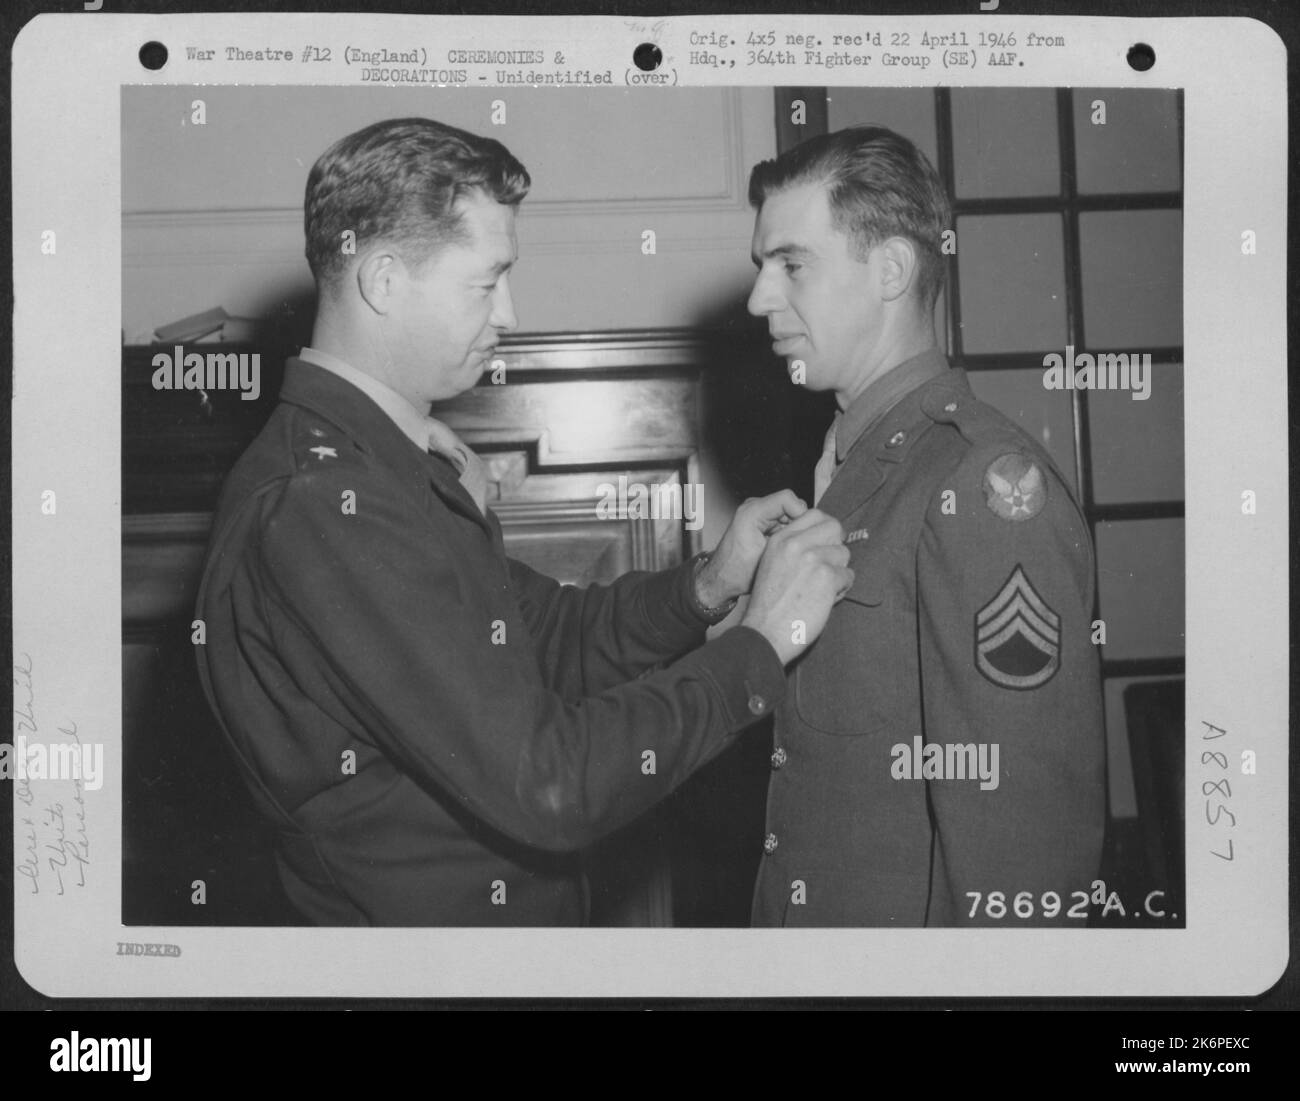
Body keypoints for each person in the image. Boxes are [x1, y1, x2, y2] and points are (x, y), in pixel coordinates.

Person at [194, 117, 852, 927]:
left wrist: (711, 584)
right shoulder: (328, 505)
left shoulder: (377, 466)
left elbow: (547, 636)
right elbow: (553, 783)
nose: (509, 311)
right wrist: (763, 642)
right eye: (486, 279)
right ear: (384, 280)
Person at [745, 127, 1107, 927]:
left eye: (792, 265)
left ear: (893, 270)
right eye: (761, 268)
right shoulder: (850, 469)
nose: (759, 298)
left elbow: (1021, 867)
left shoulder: (980, 487)